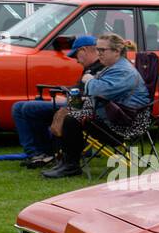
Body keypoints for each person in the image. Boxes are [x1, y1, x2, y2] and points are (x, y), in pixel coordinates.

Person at [43, 34, 152, 179]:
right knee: (67, 113)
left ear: (116, 52)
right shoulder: (113, 67)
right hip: (118, 116)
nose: (98, 53)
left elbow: (101, 90)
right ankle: (65, 162)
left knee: (71, 119)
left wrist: (89, 81)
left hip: (126, 124)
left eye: (102, 50)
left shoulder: (123, 71)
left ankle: (70, 166)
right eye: (97, 49)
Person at [11, 34, 101, 168]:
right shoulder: (91, 68)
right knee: (17, 107)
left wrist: (69, 95)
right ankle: (34, 153)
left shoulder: (101, 67)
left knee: (29, 108)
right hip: (76, 101)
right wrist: (67, 92)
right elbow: (80, 88)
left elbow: (95, 93)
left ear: (84, 50)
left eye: (76, 55)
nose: (76, 60)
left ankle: (45, 153)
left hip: (82, 106)